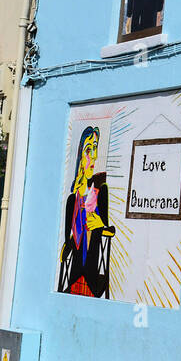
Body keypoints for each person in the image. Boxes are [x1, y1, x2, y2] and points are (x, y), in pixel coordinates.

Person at [58, 127, 112, 297]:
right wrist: (67, 244)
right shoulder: (72, 199)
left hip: (91, 272)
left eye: (96, 149)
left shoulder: (100, 190)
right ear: (80, 156)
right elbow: (68, 240)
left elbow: (108, 229)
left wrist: (101, 225)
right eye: (89, 150)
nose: (94, 156)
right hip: (73, 272)